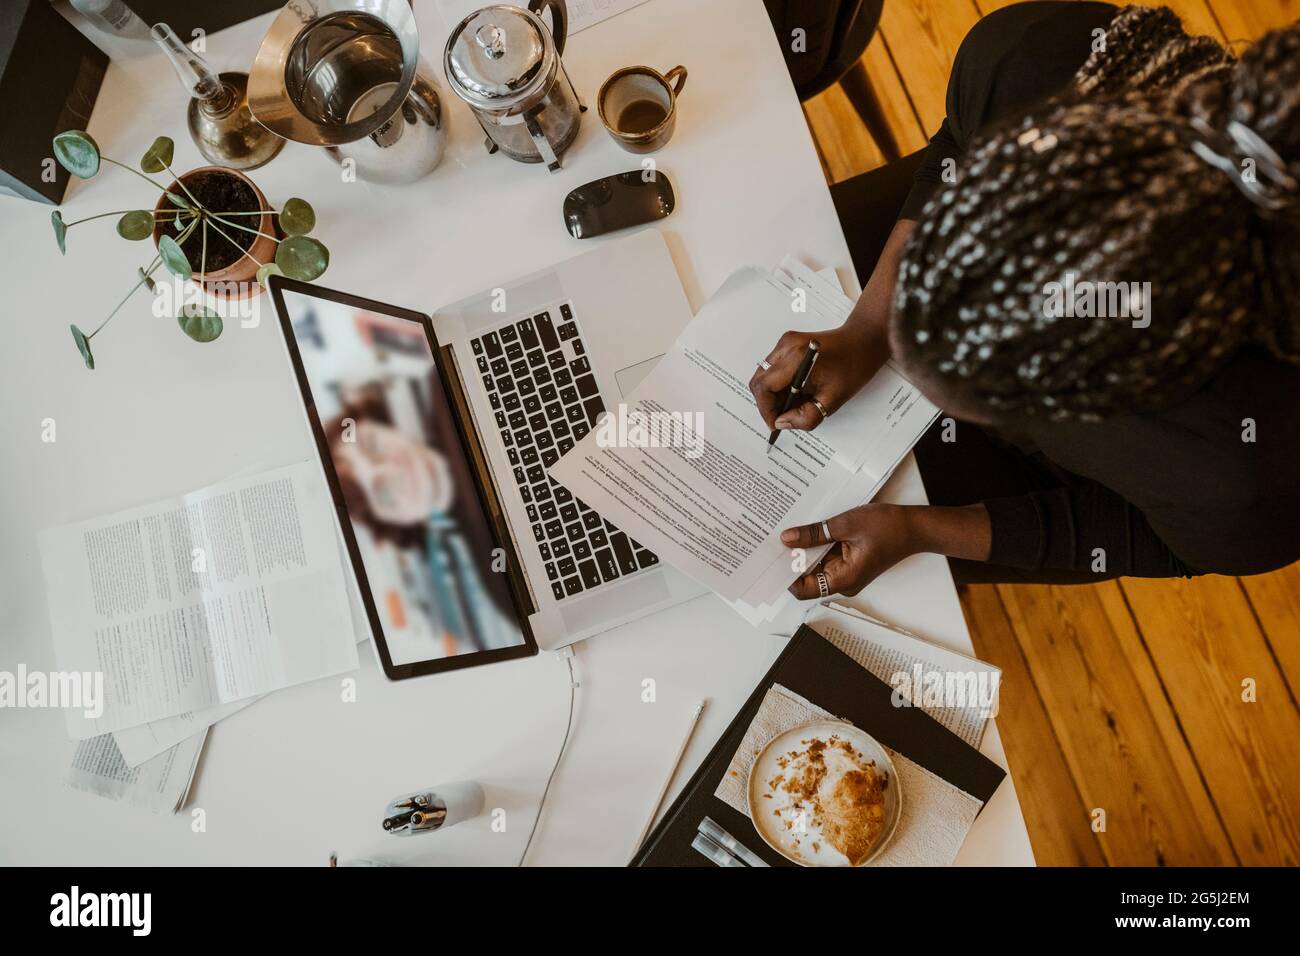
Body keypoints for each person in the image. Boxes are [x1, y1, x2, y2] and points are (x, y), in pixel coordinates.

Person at [750, 3, 1300, 599]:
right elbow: (957, 143)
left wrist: (923, 529)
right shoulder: (1033, 60)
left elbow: (1162, 539)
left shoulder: (1258, 481)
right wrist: (868, 326)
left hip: (1056, 484)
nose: (905, 368)